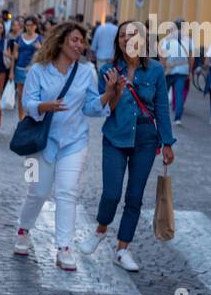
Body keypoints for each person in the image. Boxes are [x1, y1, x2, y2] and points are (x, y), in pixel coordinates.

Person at [75, 20, 176, 272]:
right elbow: (107, 108)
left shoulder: (154, 71)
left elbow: (162, 108)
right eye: (122, 35)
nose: (126, 38)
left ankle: (122, 249)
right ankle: (100, 230)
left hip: (146, 137)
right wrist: (112, 90)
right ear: (118, 41)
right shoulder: (109, 69)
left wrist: (167, 142)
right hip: (115, 136)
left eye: (132, 34)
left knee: (134, 196)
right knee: (111, 192)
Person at [14, 21, 112, 270]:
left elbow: (91, 107)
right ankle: (23, 229)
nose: (80, 45)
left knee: (67, 192)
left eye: (82, 41)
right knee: (37, 191)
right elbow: (28, 103)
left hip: (74, 141)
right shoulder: (38, 70)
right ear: (61, 42)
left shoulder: (87, 71)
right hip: (39, 142)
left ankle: (64, 247)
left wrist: (109, 93)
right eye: (75, 40)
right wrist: (46, 106)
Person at [159, 19, 191, 126]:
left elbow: (162, 56)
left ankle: (161, 115)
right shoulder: (188, 40)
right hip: (183, 70)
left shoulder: (167, 39)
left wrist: (163, 68)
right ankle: (178, 118)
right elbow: (191, 57)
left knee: (163, 94)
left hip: (169, 70)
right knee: (179, 94)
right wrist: (190, 71)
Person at [11, 15, 42, 122]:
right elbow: (14, 56)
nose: (29, 27)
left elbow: (45, 56)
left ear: (36, 26)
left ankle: (31, 117)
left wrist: (40, 49)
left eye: (31, 25)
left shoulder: (40, 38)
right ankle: (21, 118)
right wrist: (11, 71)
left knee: (32, 95)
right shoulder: (19, 37)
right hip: (20, 68)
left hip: (33, 71)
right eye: (27, 25)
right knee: (20, 96)